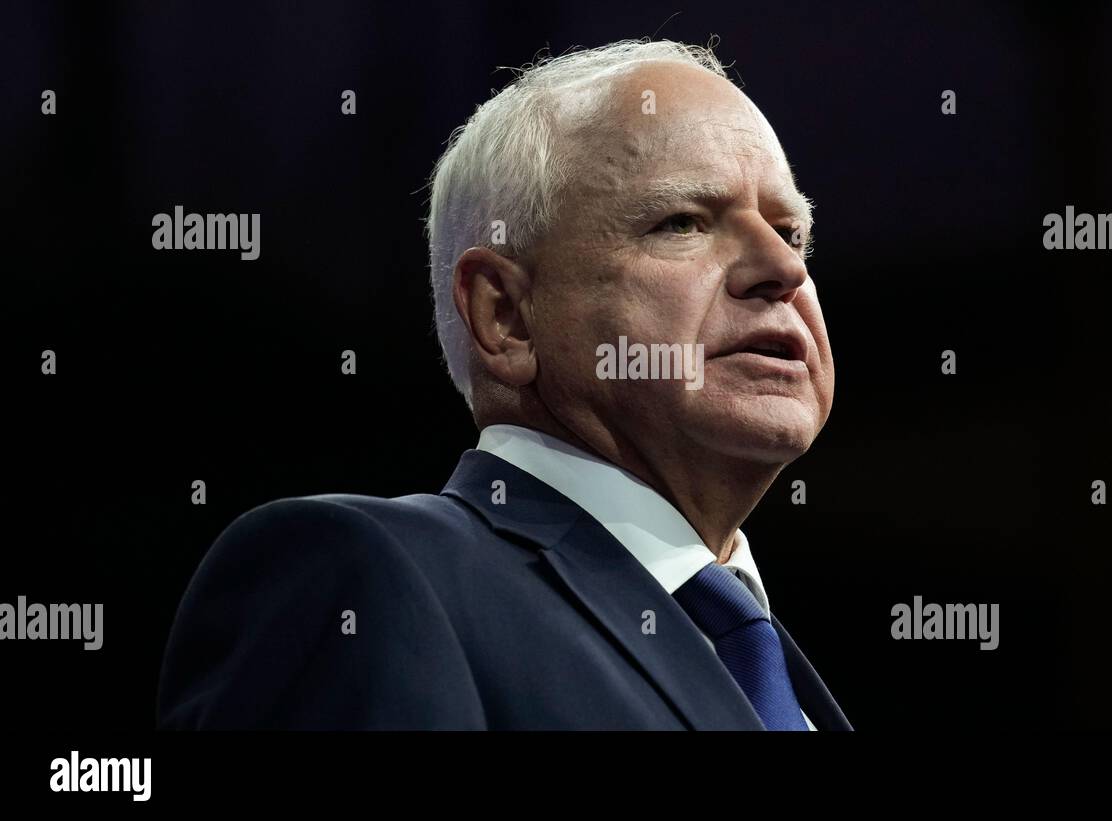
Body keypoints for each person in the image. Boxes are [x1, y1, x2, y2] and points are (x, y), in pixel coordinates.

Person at [158, 38, 847, 730]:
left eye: (791, 233)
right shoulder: (364, 578)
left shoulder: (780, 678)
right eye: (683, 223)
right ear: (507, 316)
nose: (781, 269)